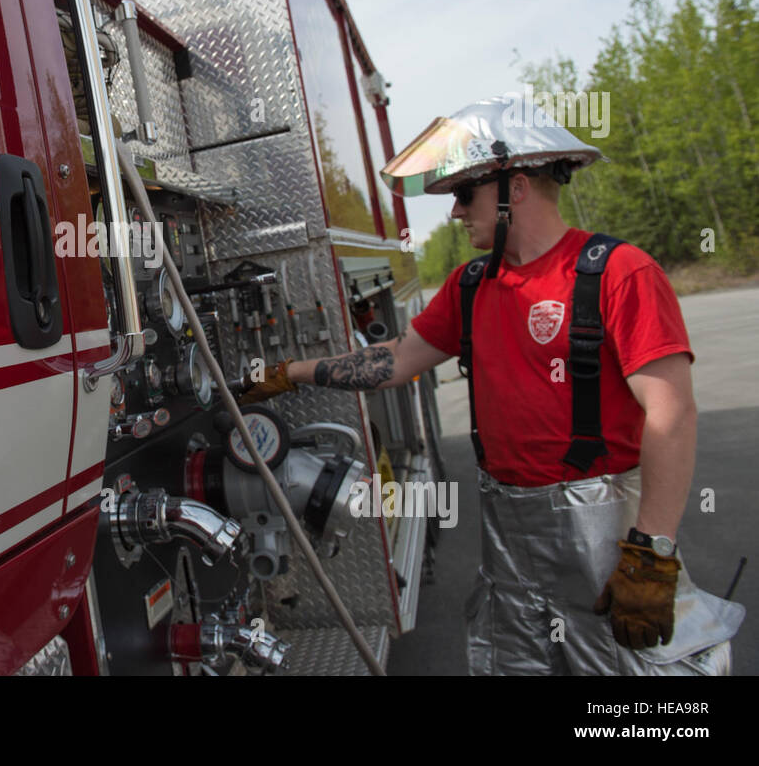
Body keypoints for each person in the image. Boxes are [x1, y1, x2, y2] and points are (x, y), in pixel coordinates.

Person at [242, 96, 743, 675]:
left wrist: (652, 553)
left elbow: (671, 414)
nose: (455, 211)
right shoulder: (472, 284)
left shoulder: (619, 272)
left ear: (518, 186)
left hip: (606, 531)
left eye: (465, 193)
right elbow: (400, 360)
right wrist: (286, 374)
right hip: (510, 531)